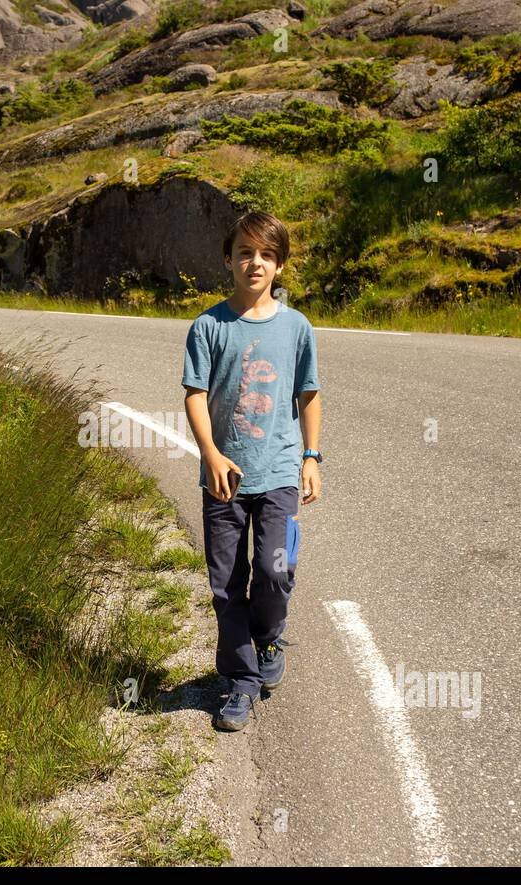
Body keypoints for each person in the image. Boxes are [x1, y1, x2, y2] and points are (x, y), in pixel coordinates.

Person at [181, 210, 323, 732]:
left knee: (274, 570)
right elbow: (195, 395)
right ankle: (239, 681)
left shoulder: (296, 328)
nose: (254, 262)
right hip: (223, 480)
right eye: (245, 252)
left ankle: (270, 636)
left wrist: (312, 458)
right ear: (228, 260)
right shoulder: (208, 326)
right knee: (226, 584)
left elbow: (308, 396)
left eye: (266, 254)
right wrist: (212, 454)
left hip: (281, 472)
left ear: (279, 264)